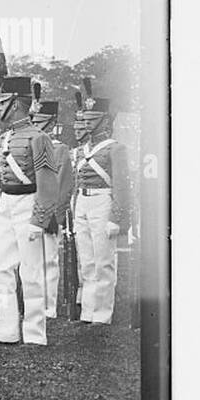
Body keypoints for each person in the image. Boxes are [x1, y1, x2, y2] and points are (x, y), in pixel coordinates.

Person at [0, 74, 60, 346]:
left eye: (3, 100)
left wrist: (38, 220)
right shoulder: (7, 137)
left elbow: (47, 183)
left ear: (15, 102)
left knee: (31, 272)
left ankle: (34, 333)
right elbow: (2, 178)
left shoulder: (38, 138)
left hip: (28, 205)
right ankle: (5, 328)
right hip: (6, 203)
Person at [72, 77, 128, 326]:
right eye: (86, 118)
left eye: (92, 119)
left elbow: (121, 187)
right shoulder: (83, 149)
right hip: (83, 203)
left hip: (103, 202)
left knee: (104, 261)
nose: (87, 122)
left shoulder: (115, 149)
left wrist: (116, 217)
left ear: (104, 120)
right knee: (87, 259)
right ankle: (88, 310)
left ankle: (102, 314)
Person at [31, 89, 72, 318]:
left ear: (52, 122)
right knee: (31, 261)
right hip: (31, 210)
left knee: (48, 260)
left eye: (41, 121)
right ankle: (33, 303)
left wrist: (55, 216)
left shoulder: (60, 149)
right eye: (34, 120)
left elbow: (63, 185)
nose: (37, 124)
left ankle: (48, 306)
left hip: (49, 212)